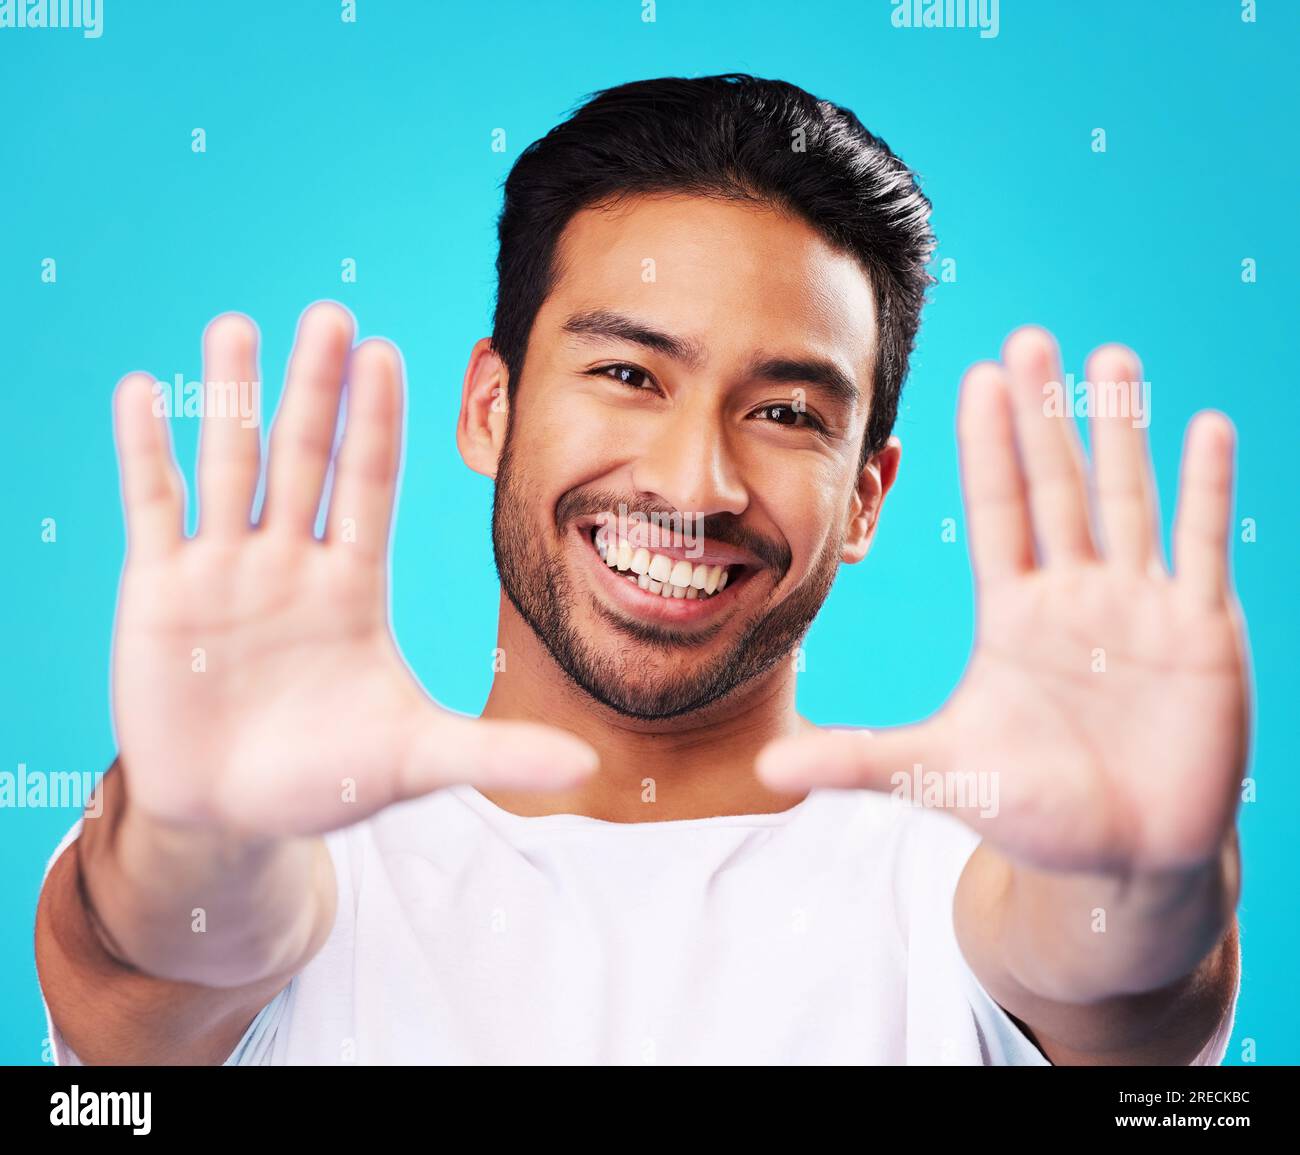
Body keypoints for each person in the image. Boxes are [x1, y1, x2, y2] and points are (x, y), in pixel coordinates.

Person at [35, 74, 1245, 1065]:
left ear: (867, 497)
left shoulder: (965, 891)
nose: (695, 484)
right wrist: (190, 830)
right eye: (628, 376)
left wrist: (1145, 877)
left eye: (784, 413)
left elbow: (1118, 979)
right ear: (489, 408)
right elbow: (146, 953)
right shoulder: (278, 863)